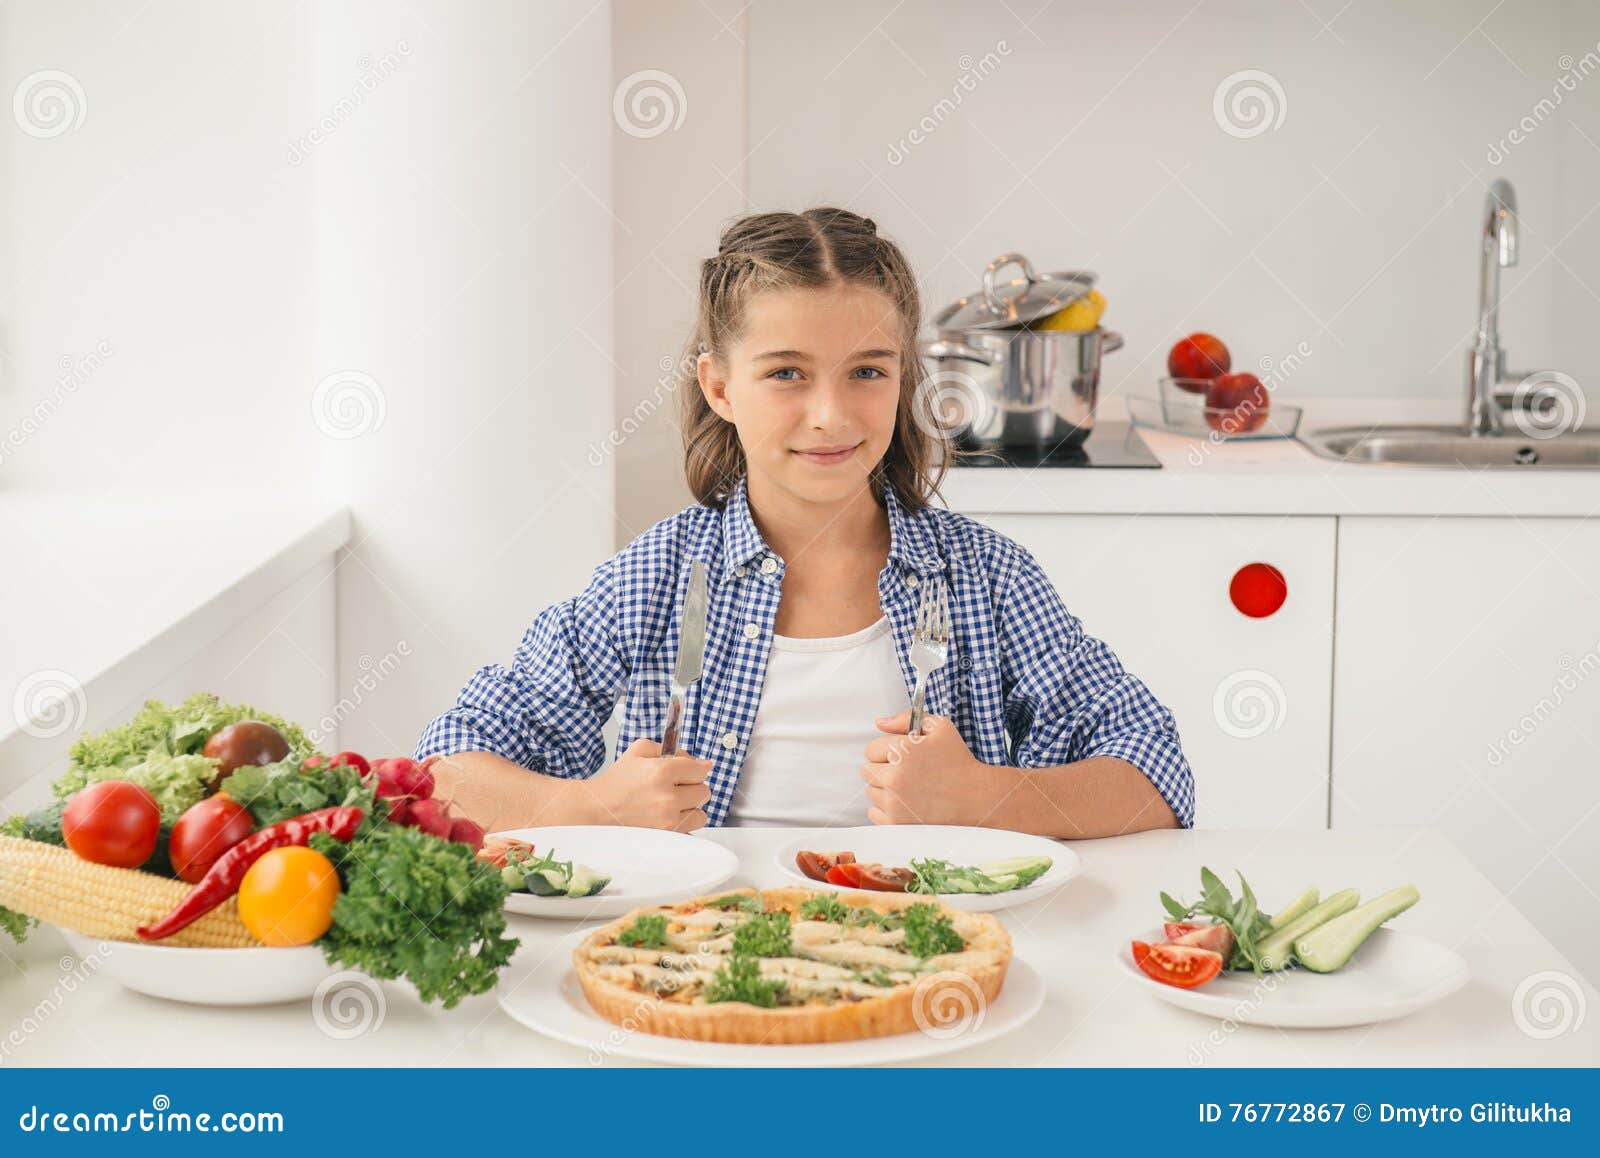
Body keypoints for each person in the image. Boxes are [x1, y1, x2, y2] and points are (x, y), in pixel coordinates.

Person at [415, 208, 1194, 838]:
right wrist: (592, 808)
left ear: (903, 382)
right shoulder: (654, 579)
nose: (831, 416)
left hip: (932, 959)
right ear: (719, 387)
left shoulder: (985, 578)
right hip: (708, 964)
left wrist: (992, 800)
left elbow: (1155, 772)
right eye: (786, 373)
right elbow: (445, 772)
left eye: (866, 372)